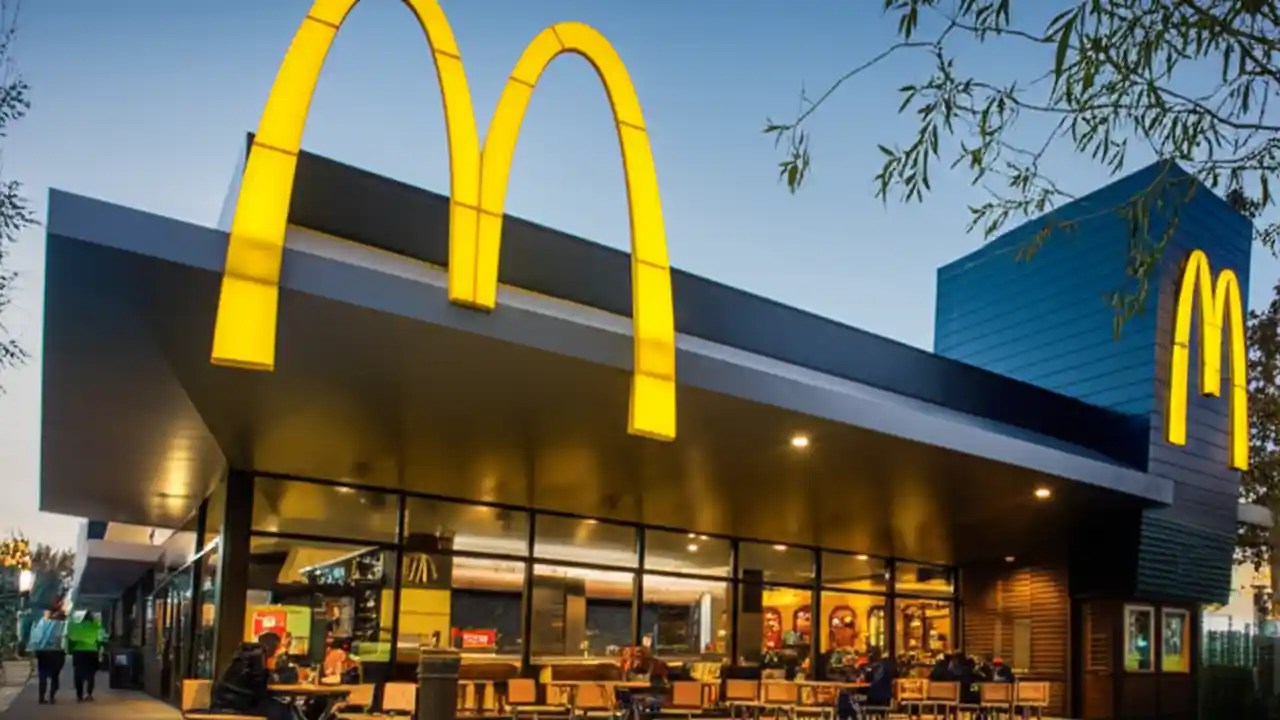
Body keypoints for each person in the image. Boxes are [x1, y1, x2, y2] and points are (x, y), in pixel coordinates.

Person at [28, 600, 69, 704]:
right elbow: (65, 638)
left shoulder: (41, 623)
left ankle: (41, 698)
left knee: (43, 675)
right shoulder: (62, 624)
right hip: (57, 652)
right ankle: (52, 696)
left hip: (42, 652)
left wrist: (33, 650)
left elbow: (35, 637)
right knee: (55, 676)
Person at [67, 610, 105, 702]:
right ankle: (89, 694)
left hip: (78, 652)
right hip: (92, 652)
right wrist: (99, 650)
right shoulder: (97, 627)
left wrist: (70, 651)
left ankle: (79, 695)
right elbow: (101, 640)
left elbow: (70, 639)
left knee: (78, 674)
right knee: (91, 674)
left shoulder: (77, 627)